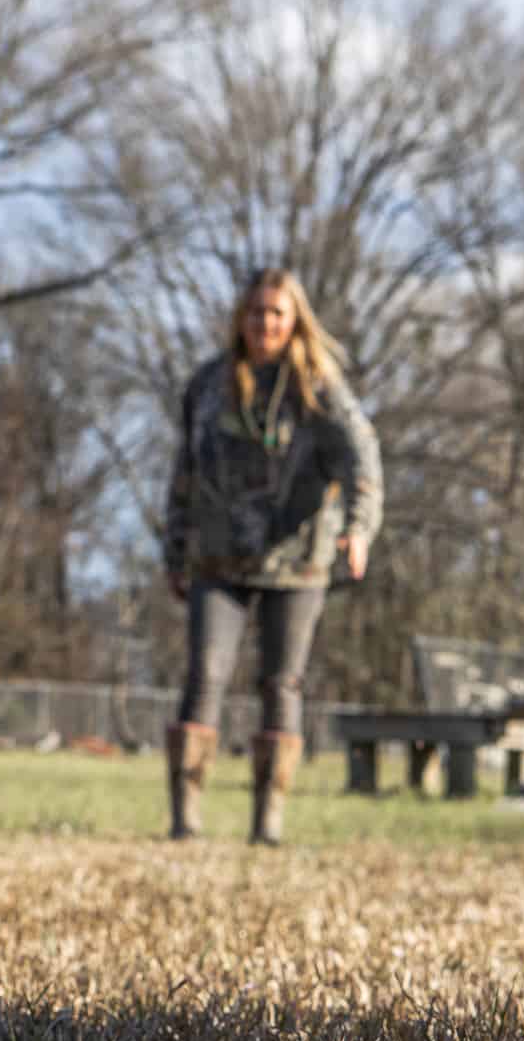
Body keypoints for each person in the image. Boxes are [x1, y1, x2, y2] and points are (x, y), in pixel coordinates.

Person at [162, 267, 383, 844]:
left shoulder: (319, 389)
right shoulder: (209, 384)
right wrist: (176, 548)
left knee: (281, 683)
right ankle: (185, 819)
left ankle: (268, 823)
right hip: (218, 558)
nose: (266, 323)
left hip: (297, 561)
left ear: (295, 320)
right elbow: (185, 472)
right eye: (257, 312)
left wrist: (359, 529)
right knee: (205, 674)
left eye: (277, 313)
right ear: (242, 317)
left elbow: (362, 458)